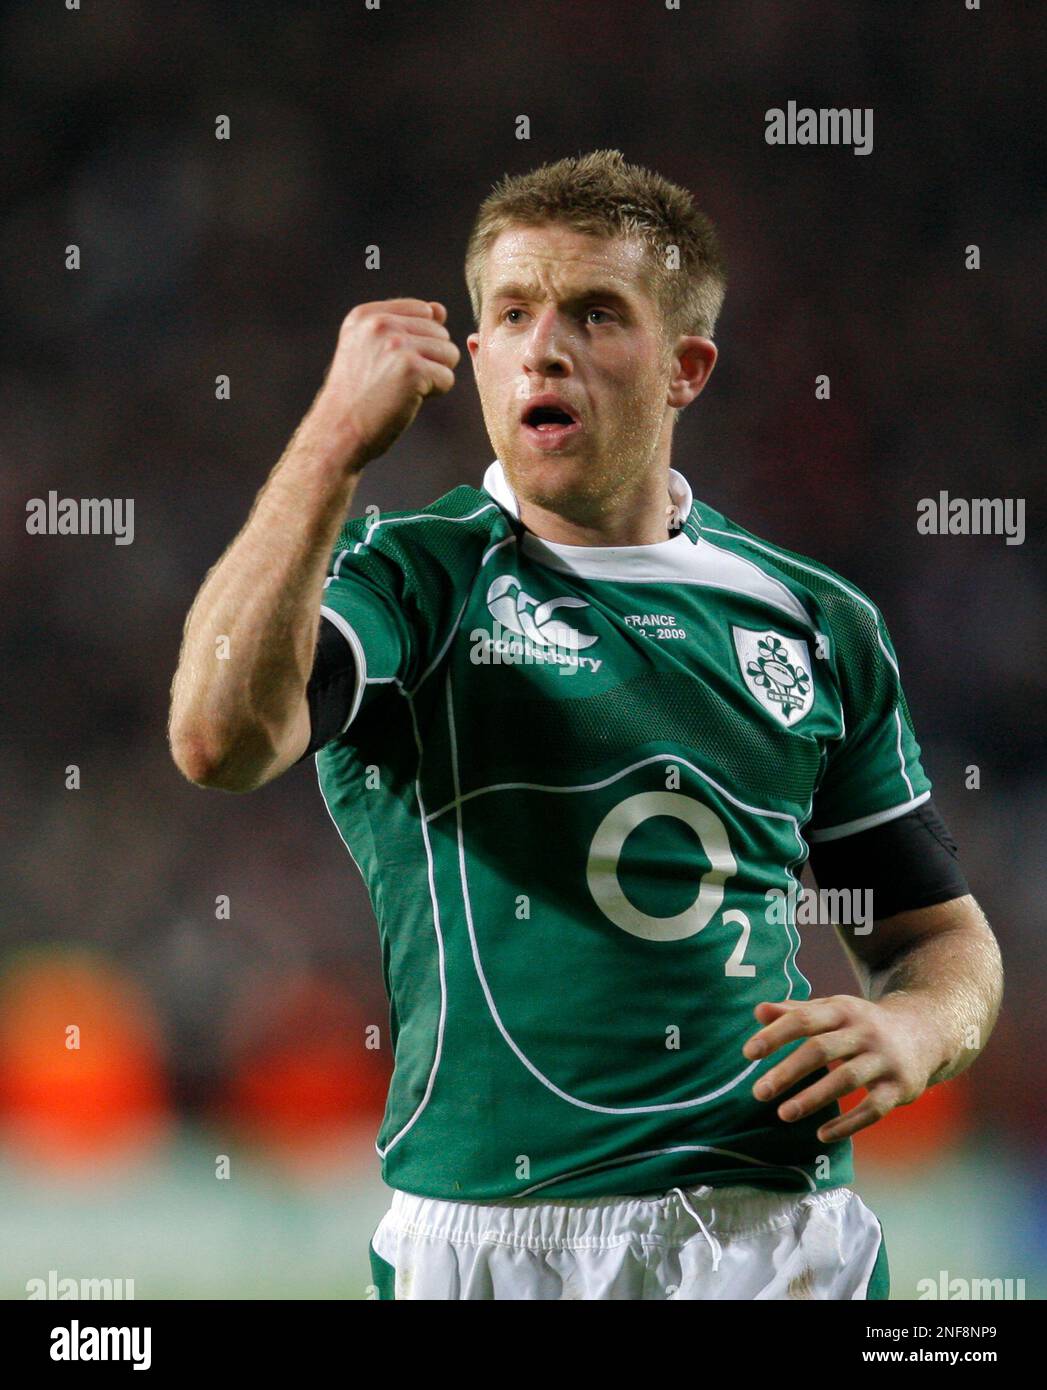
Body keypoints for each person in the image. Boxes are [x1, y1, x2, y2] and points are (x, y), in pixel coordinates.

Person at [168, 149, 1002, 1300]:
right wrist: (329, 448)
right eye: (512, 313)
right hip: (488, 1241)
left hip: (770, 1230)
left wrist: (917, 1031)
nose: (544, 345)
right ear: (480, 355)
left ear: (685, 368)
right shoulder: (412, 578)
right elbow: (218, 741)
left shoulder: (812, 619)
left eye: (596, 314)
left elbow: (940, 941)